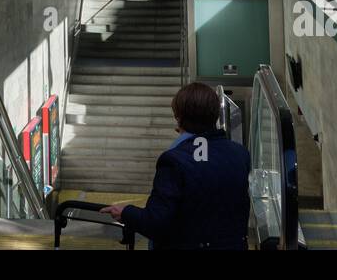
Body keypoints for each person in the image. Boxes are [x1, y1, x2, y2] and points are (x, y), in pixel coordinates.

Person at [101, 81, 250, 250]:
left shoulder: (174, 161)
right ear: (215, 115)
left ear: (179, 118)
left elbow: (156, 222)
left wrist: (126, 212)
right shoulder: (240, 154)